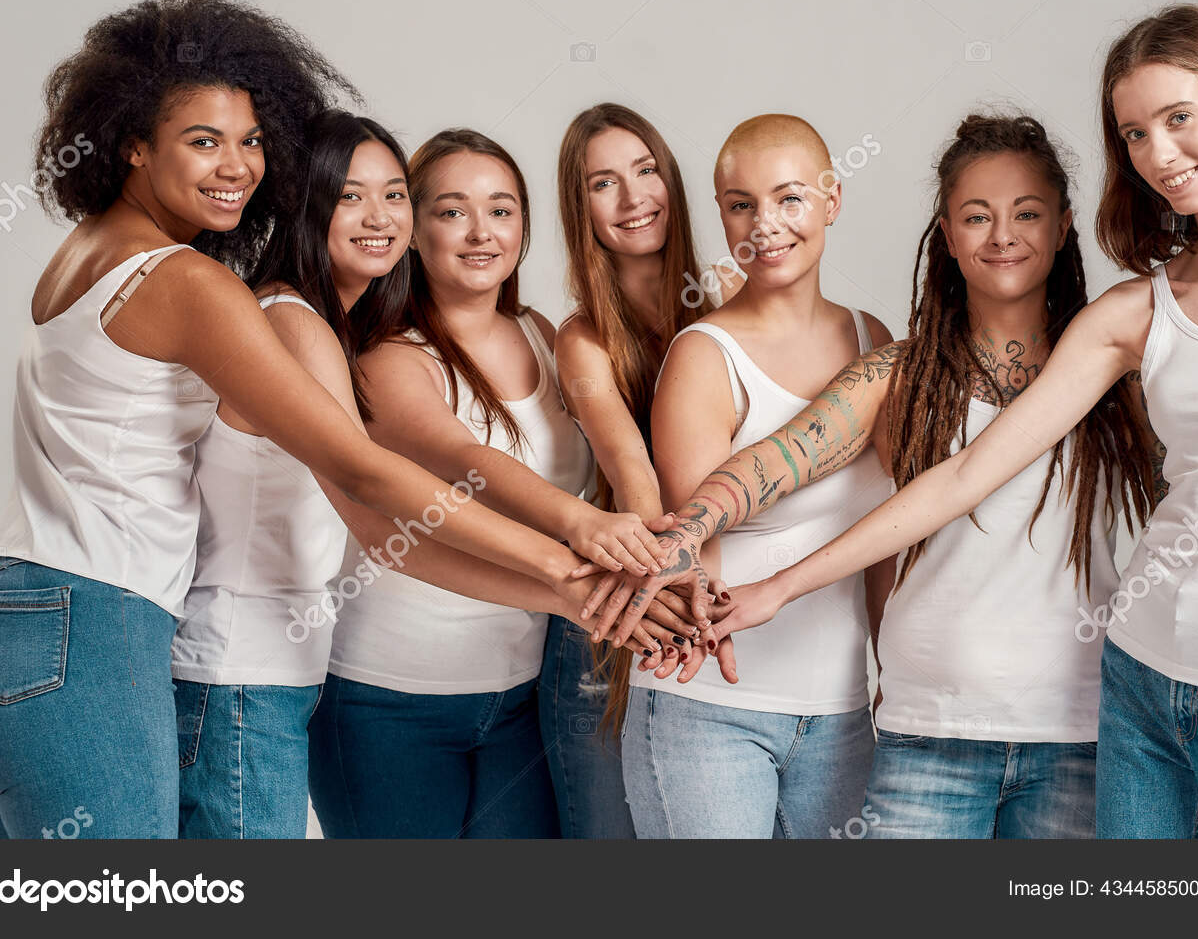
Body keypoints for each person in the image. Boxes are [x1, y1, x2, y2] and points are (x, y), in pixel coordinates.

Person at [628, 6, 1198, 840]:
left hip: (1197, 710)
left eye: (1177, 119)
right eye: (1134, 134)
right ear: (945, 234)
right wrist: (729, 564)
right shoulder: (1097, 327)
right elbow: (912, 473)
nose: (1159, 153)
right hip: (1088, 700)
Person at [0, 0, 641, 840]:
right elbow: (363, 476)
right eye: (203, 142)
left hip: (10, 620)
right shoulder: (197, 286)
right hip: (99, 632)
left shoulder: (89, 254)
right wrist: (571, 566)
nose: (237, 165)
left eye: (252, 141)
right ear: (129, 147)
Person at [588, 111, 1161, 838]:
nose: (1003, 235)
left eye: (1027, 213)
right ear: (947, 235)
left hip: (1075, 725)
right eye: (977, 217)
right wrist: (689, 532)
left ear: (1062, 224)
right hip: (926, 727)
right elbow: (784, 455)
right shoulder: (900, 370)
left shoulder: (1112, 370)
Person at [307, 128, 679, 838]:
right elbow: (469, 464)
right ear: (414, 231)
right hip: (391, 698)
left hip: (522, 698)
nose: (481, 232)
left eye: (502, 211)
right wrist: (580, 527)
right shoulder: (390, 358)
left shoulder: (545, 333)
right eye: (451, 212)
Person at [616, 113, 895, 839]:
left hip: (838, 714)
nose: (765, 224)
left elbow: (883, 539)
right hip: (707, 705)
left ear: (832, 201)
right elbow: (693, 541)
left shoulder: (875, 340)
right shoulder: (703, 355)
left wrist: (893, 669)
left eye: (790, 198)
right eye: (741, 205)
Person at [170, 110, 414, 837]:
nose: (379, 217)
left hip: (263, 676)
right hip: (239, 674)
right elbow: (372, 504)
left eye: (395, 194)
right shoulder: (290, 320)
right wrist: (569, 577)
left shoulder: (322, 324)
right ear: (306, 207)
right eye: (350, 195)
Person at [542, 103, 719, 836]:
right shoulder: (582, 339)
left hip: (701, 603)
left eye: (645, 171)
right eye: (603, 183)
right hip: (616, 615)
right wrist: (672, 571)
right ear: (579, 208)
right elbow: (633, 472)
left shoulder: (729, 298)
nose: (633, 197)